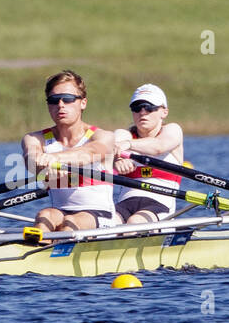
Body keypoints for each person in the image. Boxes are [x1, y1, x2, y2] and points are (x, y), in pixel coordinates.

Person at [21, 70, 117, 231]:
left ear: (83, 103)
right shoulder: (35, 138)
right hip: (60, 212)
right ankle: (34, 248)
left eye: (68, 99)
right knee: (45, 215)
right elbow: (31, 160)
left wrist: (55, 159)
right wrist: (41, 169)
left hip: (100, 216)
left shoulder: (103, 136)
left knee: (71, 222)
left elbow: (90, 153)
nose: (60, 105)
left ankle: (50, 249)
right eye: (54, 100)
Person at [111, 84, 185, 224]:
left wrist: (129, 144)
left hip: (160, 206)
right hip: (125, 204)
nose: (143, 112)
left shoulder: (173, 130)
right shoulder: (123, 134)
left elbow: (159, 146)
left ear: (164, 112)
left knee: (135, 222)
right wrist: (117, 159)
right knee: (109, 222)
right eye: (137, 108)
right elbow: (112, 147)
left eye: (149, 107)